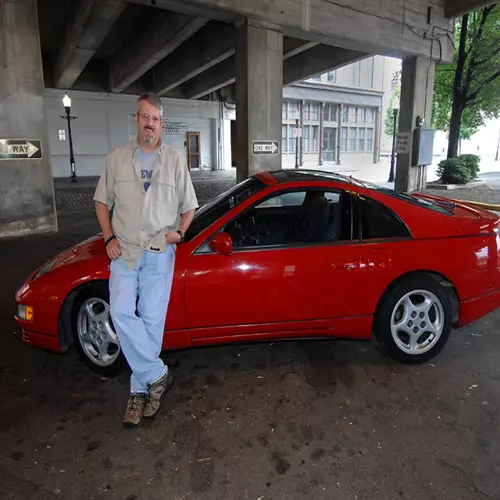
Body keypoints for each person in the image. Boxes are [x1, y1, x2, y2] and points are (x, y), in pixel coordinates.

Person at [93, 93, 198, 428]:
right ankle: (157, 374)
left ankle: (139, 395)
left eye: (155, 118)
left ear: (161, 124)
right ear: (135, 120)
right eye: (144, 116)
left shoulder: (175, 161)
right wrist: (108, 237)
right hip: (124, 251)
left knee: (152, 325)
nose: (149, 123)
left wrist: (178, 234)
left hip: (158, 253)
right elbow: (100, 202)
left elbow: (190, 206)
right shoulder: (117, 158)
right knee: (122, 312)